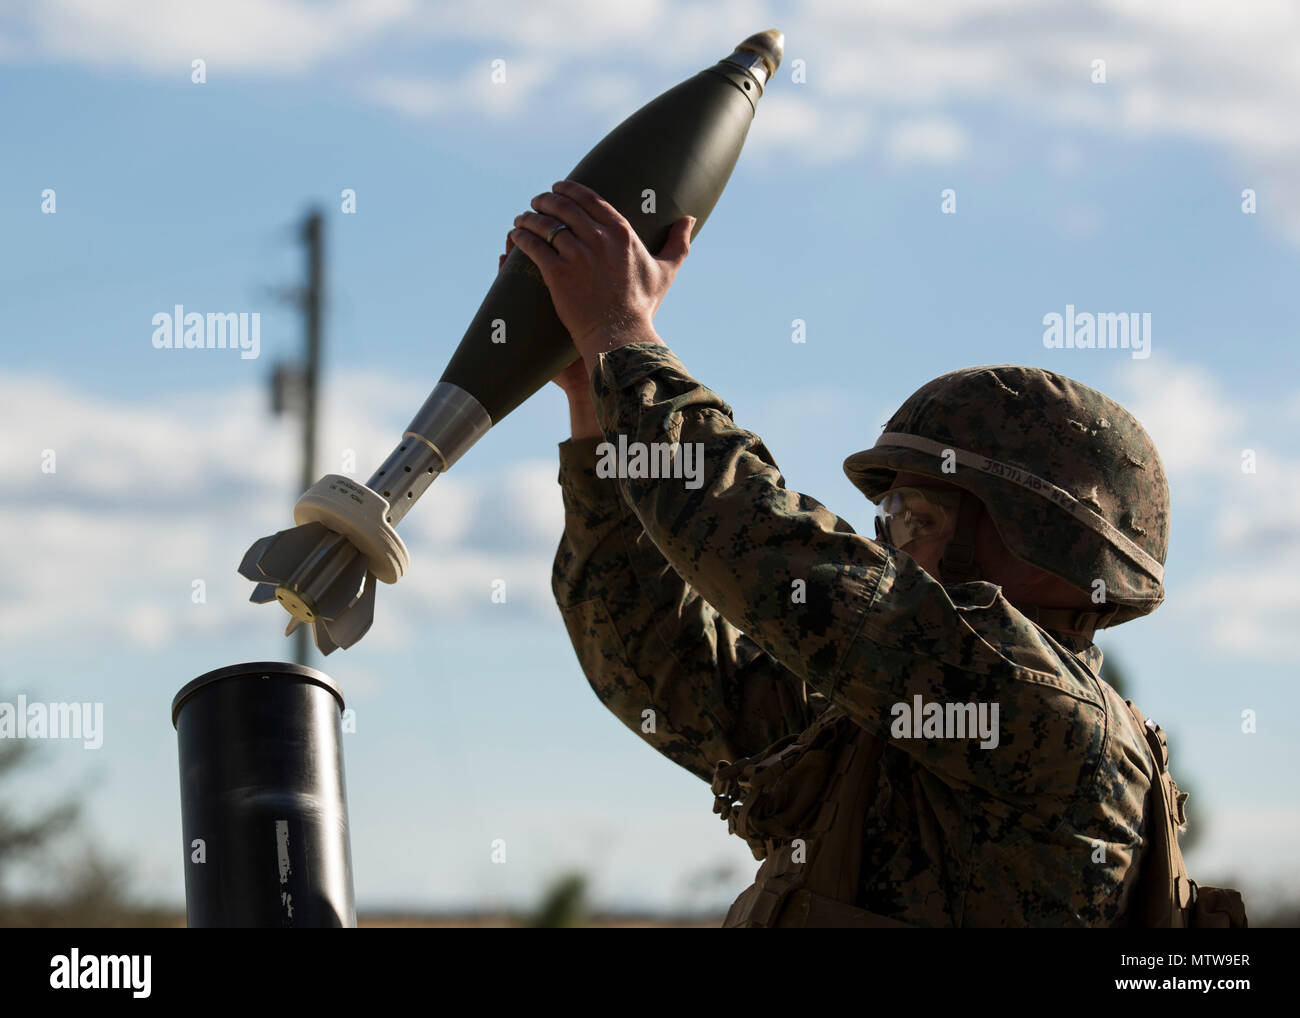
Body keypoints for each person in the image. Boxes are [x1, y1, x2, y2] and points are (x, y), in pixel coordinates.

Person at [502, 180, 1182, 927]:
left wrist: (622, 337)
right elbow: (654, 663)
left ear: (1047, 548)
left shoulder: (1046, 720)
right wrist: (595, 400)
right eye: (893, 516)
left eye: (922, 515)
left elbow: (759, 545)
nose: (896, 545)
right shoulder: (899, 721)